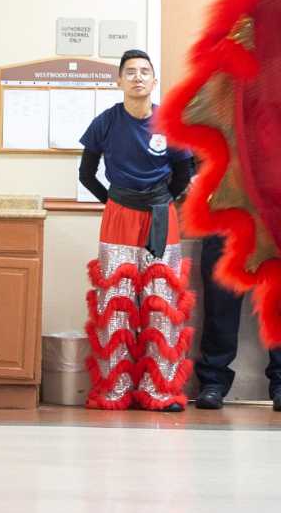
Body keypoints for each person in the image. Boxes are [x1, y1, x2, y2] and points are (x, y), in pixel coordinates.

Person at [78, 49, 198, 411]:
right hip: (119, 215)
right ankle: (115, 389)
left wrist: (163, 202)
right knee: (115, 302)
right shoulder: (105, 122)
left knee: (161, 302)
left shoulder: (168, 122)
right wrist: (114, 202)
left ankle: (159, 391)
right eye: (130, 72)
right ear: (119, 81)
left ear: (154, 81)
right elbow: (86, 174)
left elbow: (185, 172)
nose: (137, 77)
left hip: (161, 215)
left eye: (144, 71)